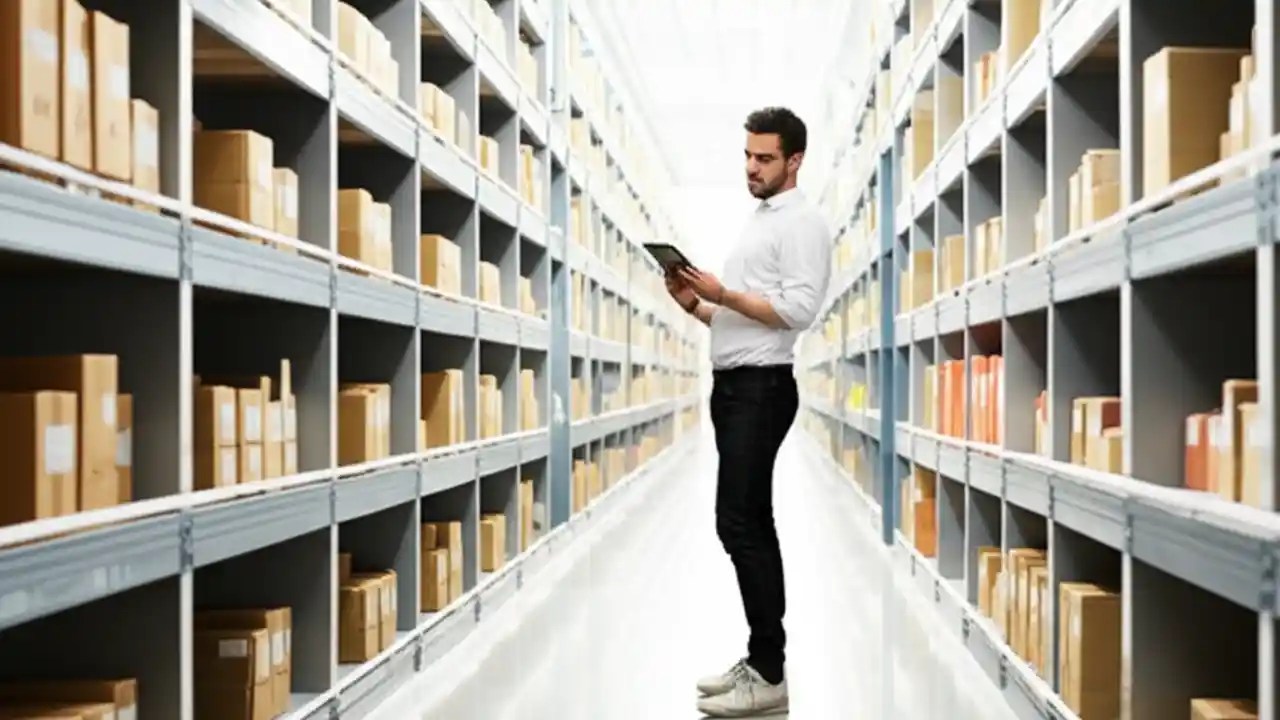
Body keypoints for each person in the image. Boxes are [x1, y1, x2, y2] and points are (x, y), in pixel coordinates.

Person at [666, 106, 833, 717]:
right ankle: (762, 661)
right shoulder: (761, 221)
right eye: (747, 156)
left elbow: (799, 309)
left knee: (739, 523)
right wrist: (696, 306)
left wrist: (724, 292)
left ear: (794, 161)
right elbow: (743, 314)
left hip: (761, 390)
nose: (751, 168)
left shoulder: (803, 223)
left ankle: (768, 670)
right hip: (735, 386)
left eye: (764, 158)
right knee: (746, 521)